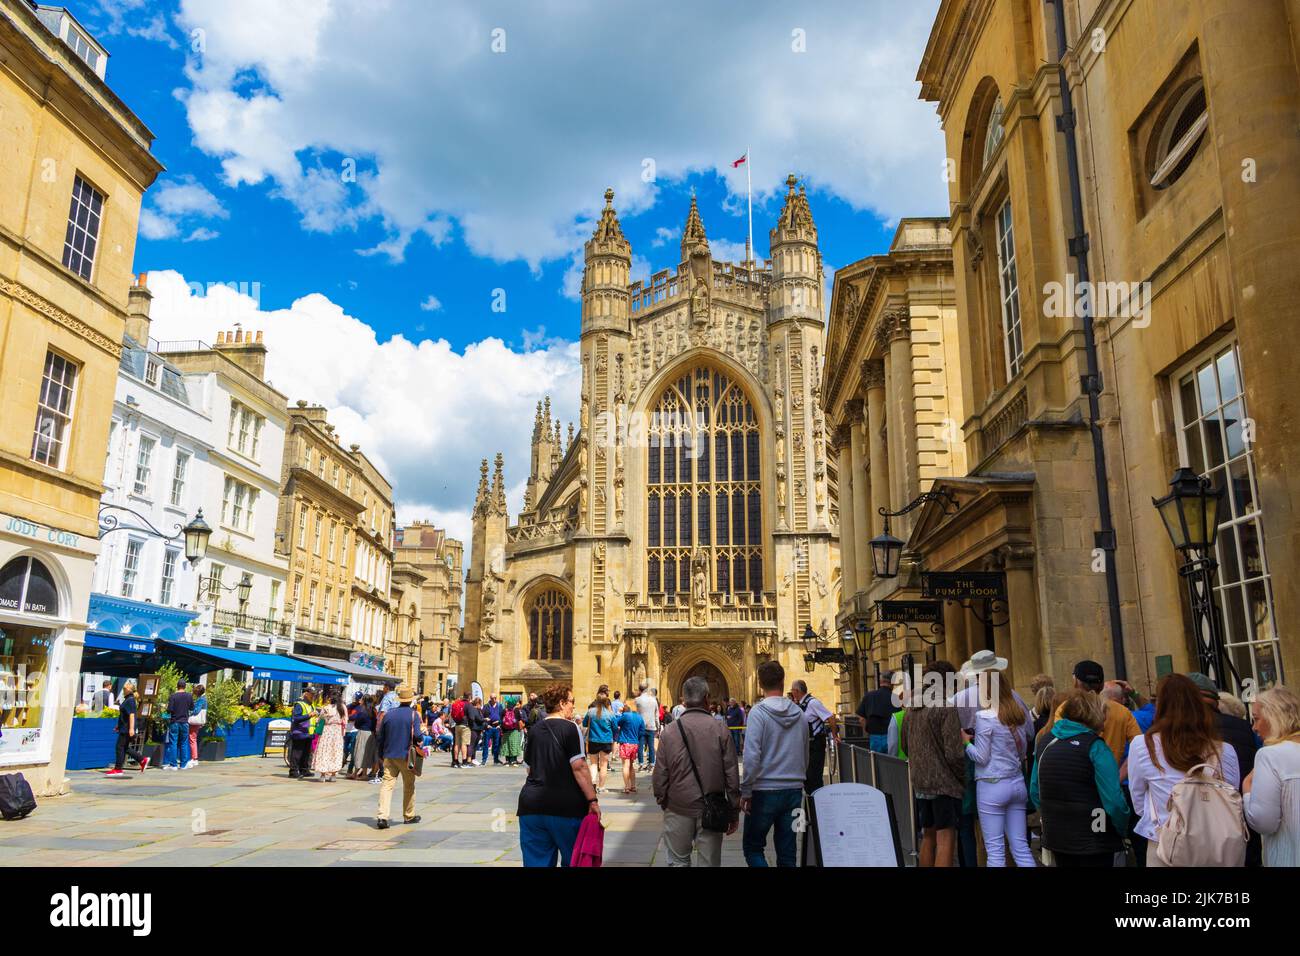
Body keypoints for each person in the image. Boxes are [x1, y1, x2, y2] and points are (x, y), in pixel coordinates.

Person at [1128, 673, 1240, 867]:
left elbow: (1139, 802)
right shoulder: (1224, 750)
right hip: (1215, 843)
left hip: (1164, 842)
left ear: (1160, 706)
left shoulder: (1143, 745)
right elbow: (1231, 796)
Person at [1031, 688, 1130, 866]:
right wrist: (1121, 829)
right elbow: (1114, 801)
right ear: (1093, 716)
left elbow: (1035, 791)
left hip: (1057, 837)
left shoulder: (1045, 742)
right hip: (1096, 839)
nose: (1106, 722)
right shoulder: (1096, 747)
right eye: (1104, 716)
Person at [652, 676, 740, 866]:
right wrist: (733, 809)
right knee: (709, 863)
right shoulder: (720, 729)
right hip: (712, 807)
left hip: (677, 805)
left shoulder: (669, 731)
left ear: (683, 699)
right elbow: (731, 774)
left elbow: (660, 773)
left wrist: (663, 799)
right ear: (707, 698)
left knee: (677, 861)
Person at [964, 654, 1036, 867]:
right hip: (1016, 782)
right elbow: (1025, 744)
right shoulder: (1017, 715)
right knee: (1021, 847)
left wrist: (966, 743)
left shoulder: (984, 717)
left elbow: (981, 757)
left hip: (991, 784)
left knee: (995, 852)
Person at [517, 683, 601, 866]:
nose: (573, 706)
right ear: (562, 703)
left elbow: (529, 769)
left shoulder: (535, 730)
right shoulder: (571, 729)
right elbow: (579, 767)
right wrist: (592, 800)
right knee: (574, 860)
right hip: (565, 806)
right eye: (572, 701)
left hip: (531, 806)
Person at [740, 660, 809, 868]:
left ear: (760, 684)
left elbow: (751, 756)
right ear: (783, 681)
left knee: (753, 848)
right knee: (788, 853)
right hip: (794, 791)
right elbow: (804, 752)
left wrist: (746, 790)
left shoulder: (758, 713)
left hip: (764, 791)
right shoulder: (800, 714)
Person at [900, 661, 966, 867]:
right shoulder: (945, 708)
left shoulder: (912, 709)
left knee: (928, 835)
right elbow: (955, 753)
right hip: (943, 783)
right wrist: (962, 777)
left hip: (920, 781)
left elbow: (905, 744)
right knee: (946, 838)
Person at [1243, 687, 1300, 867]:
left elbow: (1263, 822)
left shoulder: (1270, 755)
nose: (1254, 727)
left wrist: (1247, 788)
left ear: (1274, 716)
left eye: (1257, 719)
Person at [375, 685, 423, 829]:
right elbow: (418, 736)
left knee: (387, 786)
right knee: (409, 785)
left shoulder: (389, 714)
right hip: (406, 756)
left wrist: (381, 754)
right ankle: (408, 815)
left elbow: (381, 736)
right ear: (410, 700)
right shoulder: (413, 715)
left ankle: (382, 816)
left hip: (389, 754)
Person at [789, 679, 837, 794]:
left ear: (796, 691)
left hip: (815, 745)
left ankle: (817, 805)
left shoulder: (813, 703)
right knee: (807, 778)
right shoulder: (801, 704)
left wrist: (834, 736)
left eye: (792, 691)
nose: (792, 693)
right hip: (807, 746)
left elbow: (830, 717)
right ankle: (810, 806)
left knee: (814, 778)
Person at [106, 680, 148, 775]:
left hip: (126, 729)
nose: (123, 690)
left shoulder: (130, 700)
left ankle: (118, 769)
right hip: (124, 727)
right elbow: (124, 715)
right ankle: (142, 760)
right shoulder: (128, 699)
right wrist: (118, 726)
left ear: (128, 690)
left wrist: (131, 729)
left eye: (124, 689)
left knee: (119, 747)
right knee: (124, 748)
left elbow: (132, 715)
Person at [856, 673, 899, 753]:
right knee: (892, 763)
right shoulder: (896, 698)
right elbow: (899, 719)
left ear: (880, 682)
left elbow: (861, 719)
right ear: (892, 683)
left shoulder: (869, 696)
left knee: (876, 763)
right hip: (891, 737)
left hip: (874, 737)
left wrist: (867, 732)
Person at [583, 692, 618, 791]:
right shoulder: (610, 714)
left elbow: (585, 724)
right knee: (603, 765)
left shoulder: (590, 711)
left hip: (593, 740)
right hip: (606, 741)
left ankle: (593, 782)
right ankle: (601, 786)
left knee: (593, 764)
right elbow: (615, 728)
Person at [313, 692, 346, 782]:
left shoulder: (326, 708)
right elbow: (345, 721)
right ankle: (333, 775)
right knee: (335, 752)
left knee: (324, 751)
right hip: (337, 732)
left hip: (327, 731)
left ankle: (323, 775)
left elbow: (319, 719)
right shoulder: (342, 708)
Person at [163, 679, 194, 771]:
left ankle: (174, 765)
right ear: (185, 686)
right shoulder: (189, 696)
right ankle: (183, 764)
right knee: (184, 743)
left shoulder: (173, 696)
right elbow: (192, 707)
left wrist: (166, 707)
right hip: (185, 722)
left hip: (175, 721)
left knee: (173, 743)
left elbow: (169, 710)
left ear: (177, 686)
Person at [615, 699, 644, 793]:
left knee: (625, 765)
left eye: (625, 705)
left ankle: (626, 787)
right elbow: (642, 731)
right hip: (635, 743)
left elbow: (615, 722)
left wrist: (619, 712)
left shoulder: (626, 715)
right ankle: (633, 786)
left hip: (625, 742)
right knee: (631, 765)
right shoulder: (639, 717)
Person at [288, 688, 317, 779]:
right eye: (311, 694)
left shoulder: (311, 705)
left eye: (314, 694)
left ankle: (304, 770)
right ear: (306, 694)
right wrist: (309, 715)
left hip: (309, 733)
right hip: (299, 733)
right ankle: (293, 771)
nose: (313, 696)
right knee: (297, 753)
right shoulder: (299, 704)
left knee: (306, 754)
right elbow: (296, 719)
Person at [349, 694, 378, 779]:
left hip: (363, 732)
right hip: (371, 733)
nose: (360, 701)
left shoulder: (362, 711)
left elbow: (357, 723)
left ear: (364, 701)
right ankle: (361, 773)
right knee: (366, 753)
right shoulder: (373, 710)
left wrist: (358, 726)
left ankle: (358, 774)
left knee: (359, 753)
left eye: (361, 699)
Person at [634, 682, 660, 771]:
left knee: (640, 745)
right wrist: (658, 726)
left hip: (640, 725)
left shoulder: (637, 700)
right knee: (651, 746)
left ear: (640, 689)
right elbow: (657, 715)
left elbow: (635, 713)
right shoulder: (654, 700)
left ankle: (641, 763)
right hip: (651, 725)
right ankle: (651, 763)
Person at [185, 684, 207, 770]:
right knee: (193, 738)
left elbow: (196, 710)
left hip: (194, 722)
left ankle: (194, 758)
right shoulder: (203, 699)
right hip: (197, 722)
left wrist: (188, 712)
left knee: (192, 738)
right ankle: (194, 758)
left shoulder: (201, 699)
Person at [481, 694, 504, 765]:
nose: (494, 699)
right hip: (489, 727)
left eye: (495, 698)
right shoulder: (486, 706)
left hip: (497, 727)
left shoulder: (500, 706)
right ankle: (484, 759)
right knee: (486, 744)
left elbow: (503, 716)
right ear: (490, 698)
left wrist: (500, 724)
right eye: (492, 698)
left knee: (496, 744)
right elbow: (482, 717)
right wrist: (486, 725)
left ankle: (496, 759)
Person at [500, 701, 524, 765]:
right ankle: (514, 760)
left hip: (505, 730)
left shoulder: (504, 711)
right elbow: (519, 719)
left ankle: (507, 760)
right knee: (514, 744)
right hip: (514, 730)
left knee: (506, 745)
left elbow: (501, 720)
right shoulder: (516, 710)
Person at [451, 692, 471, 767]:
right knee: (464, 744)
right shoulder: (468, 704)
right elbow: (471, 716)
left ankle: (455, 761)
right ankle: (464, 761)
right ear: (469, 697)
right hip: (465, 726)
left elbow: (452, 715)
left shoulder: (458, 703)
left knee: (456, 743)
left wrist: (456, 721)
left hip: (457, 725)